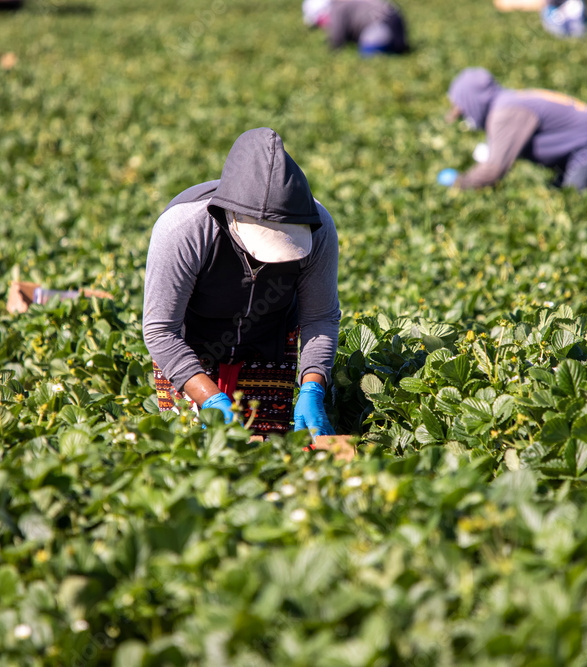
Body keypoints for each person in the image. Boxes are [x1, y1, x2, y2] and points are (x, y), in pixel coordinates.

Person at [143, 127, 340, 441]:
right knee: (192, 448)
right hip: (188, 343)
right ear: (232, 217)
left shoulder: (318, 228)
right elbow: (161, 330)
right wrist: (210, 399)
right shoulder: (183, 230)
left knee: (269, 449)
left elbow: (320, 317)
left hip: (270, 337)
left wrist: (313, 387)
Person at [439, 67, 587, 192]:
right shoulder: (508, 102)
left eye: (463, 113)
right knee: (558, 192)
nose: (465, 119)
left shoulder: (505, 113)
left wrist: (459, 184)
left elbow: (493, 170)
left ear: (473, 102)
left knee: (575, 199)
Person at [303, 0, 409, 56]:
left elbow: (337, 40)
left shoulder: (336, 7)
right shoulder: (345, 2)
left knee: (368, 64)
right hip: (396, 25)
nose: (321, 27)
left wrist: (329, 55)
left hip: (379, 28)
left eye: (318, 23)